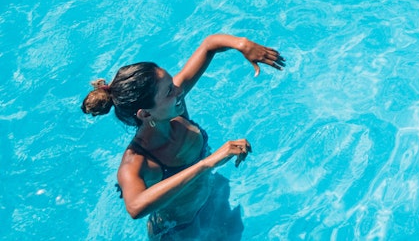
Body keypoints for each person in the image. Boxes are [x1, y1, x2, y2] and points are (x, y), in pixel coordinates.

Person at [81, 34, 286, 240]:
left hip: (212, 198)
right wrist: (207, 163)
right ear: (145, 114)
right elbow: (135, 207)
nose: (180, 90)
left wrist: (242, 44)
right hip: (182, 231)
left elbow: (209, 45)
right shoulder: (136, 163)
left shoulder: (172, 107)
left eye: (172, 82)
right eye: (170, 90)